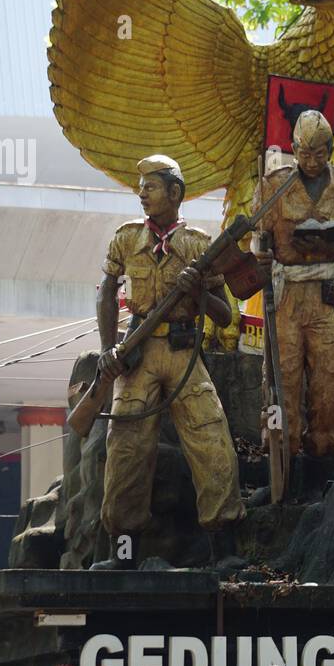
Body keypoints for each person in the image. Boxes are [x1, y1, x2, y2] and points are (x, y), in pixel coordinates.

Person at [91, 154, 243, 569]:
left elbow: (225, 315)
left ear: (174, 193)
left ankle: (224, 550)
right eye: (140, 187)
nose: (142, 194)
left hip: (182, 353)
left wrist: (196, 292)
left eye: (151, 187)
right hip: (137, 355)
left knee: (211, 441)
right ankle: (123, 554)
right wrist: (108, 348)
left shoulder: (197, 244)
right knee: (125, 450)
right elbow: (106, 291)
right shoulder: (126, 239)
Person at [253, 111, 334, 471]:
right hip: (286, 293)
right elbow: (259, 243)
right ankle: (281, 457)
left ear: (330, 150)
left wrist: (324, 243)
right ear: (293, 149)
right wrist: (265, 252)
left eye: (320, 154)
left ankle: (324, 454)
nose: (312, 162)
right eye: (304, 153)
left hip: (323, 293)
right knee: (282, 377)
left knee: (329, 378)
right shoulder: (274, 186)